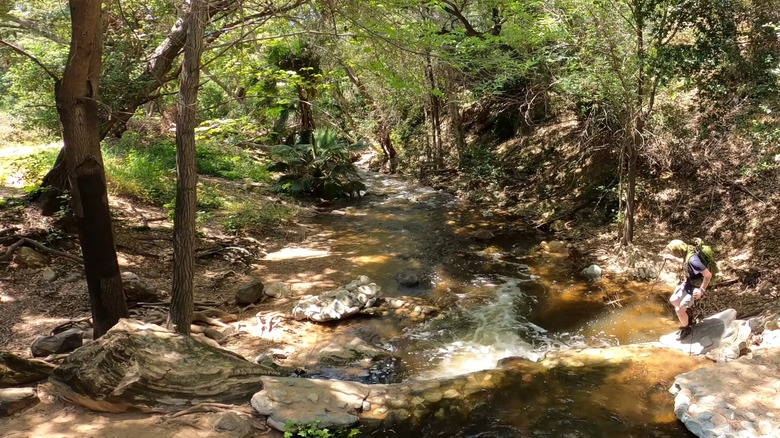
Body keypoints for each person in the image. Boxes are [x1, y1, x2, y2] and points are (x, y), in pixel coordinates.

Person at [663, 239, 713, 340]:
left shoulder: (693, 260)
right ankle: (689, 318)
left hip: (697, 286)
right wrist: (673, 258)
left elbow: (708, 275)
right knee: (674, 300)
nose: (672, 253)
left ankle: (686, 329)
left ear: (678, 250)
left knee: (679, 309)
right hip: (690, 283)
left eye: (673, 251)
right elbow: (685, 261)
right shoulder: (687, 252)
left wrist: (701, 290)